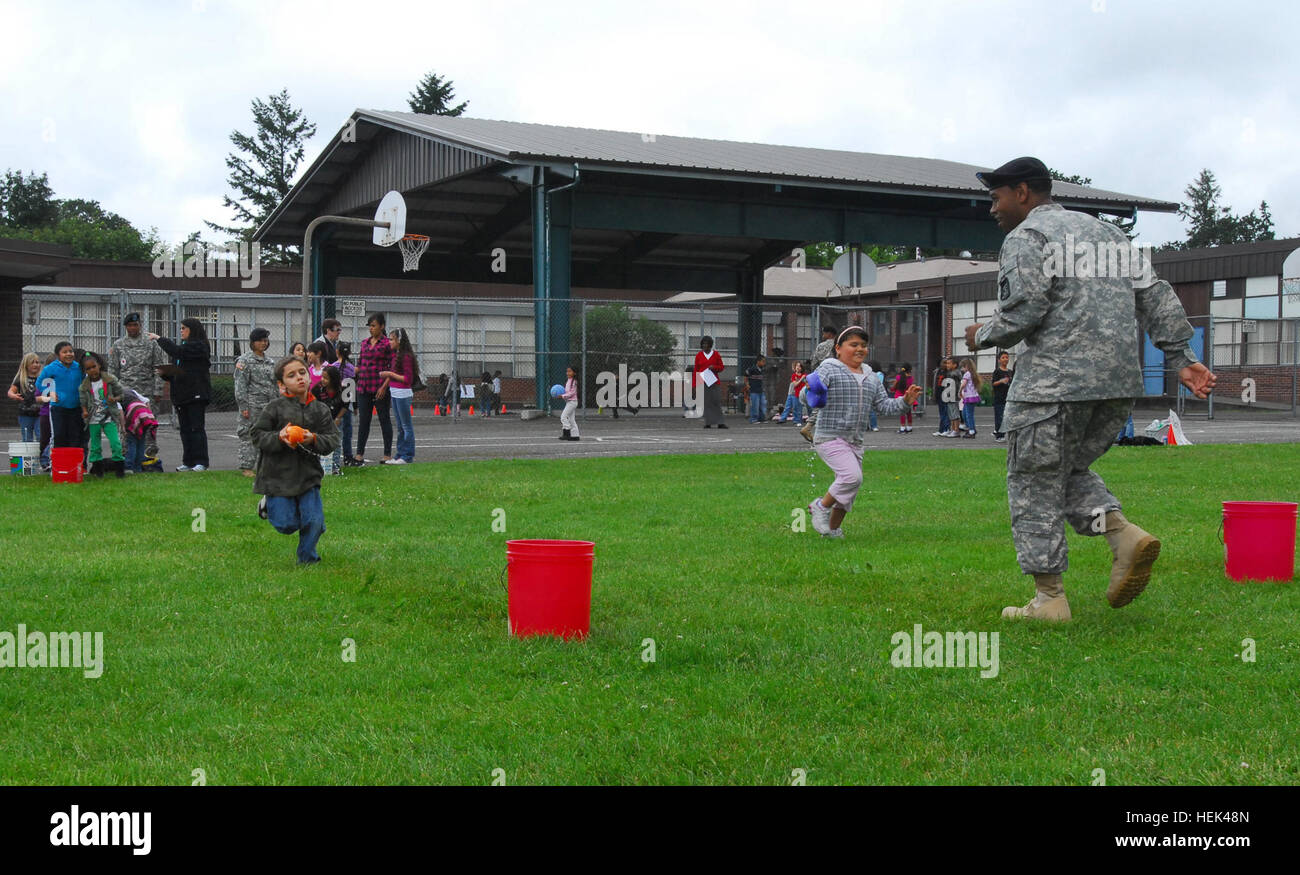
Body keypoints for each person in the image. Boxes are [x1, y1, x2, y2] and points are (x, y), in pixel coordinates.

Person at [967, 155, 1215, 621]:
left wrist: (979, 335)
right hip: (1116, 387)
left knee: (1033, 482)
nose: (993, 209)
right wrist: (1182, 357)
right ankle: (1122, 535)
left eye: (996, 198)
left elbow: (1023, 311)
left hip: (1052, 387)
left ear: (1022, 192)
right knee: (1066, 473)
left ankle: (1049, 599)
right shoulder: (1110, 235)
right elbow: (1155, 295)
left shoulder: (1028, 236)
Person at [805, 327, 922, 538]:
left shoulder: (871, 377)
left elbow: (884, 406)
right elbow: (808, 395)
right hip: (829, 436)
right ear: (838, 349)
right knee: (851, 477)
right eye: (854, 345)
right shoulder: (829, 368)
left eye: (863, 345)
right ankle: (820, 507)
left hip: (855, 441)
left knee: (849, 490)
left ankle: (832, 531)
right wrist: (813, 390)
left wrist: (905, 401)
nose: (860, 349)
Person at [250, 356, 340, 565]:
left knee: (314, 520)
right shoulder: (274, 408)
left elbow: (333, 439)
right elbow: (257, 435)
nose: (299, 377)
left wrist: (314, 438)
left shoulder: (320, 409)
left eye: (302, 372)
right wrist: (279, 437)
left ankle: (308, 559)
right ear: (281, 385)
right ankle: (268, 504)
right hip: (277, 477)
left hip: (308, 476)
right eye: (291, 375)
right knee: (286, 524)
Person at [108, 313, 169, 473]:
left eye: (135, 325)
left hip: (146, 393)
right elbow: (113, 370)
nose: (132, 328)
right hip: (125, 394)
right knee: (126, 428)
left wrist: (158, 390)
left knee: (147, 428)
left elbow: (159, 368)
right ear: (125, 327)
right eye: (129, 325)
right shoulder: (119, 345)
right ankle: (127, 461)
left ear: (140, 325)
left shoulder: (151, 343)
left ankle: (147, 461)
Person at [150, 319, 212, 472]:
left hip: (196, 393)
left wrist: (159, 338)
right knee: (185, 429)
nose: (181, 331)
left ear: (192, 329)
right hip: (181, 395)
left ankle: (201, 462)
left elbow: (177, 351)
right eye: (181, 328)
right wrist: (165, 373)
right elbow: (178, 371)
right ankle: (188, 462)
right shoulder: (183, 347)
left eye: (184, 328)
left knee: (196, 428)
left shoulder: (199, 346)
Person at [234, 328, 278, 477]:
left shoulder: (270, 362)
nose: (263, 343)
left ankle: (264, 466)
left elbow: (274, 385)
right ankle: (247, 467)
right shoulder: (244, 361)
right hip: (252, 405)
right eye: (260, 340)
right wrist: (243, 406)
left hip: (268, 405)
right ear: (253, 342)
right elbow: (240, 385)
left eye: (265, 340)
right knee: (248, 435)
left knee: (267, 435)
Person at [352, 313, 393, 464]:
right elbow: (360, 364)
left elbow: (392, 367)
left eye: (374, 325)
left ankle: (387, 453)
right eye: (369, 326)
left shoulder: (387, 344)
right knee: (364, 421)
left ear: (382, 326)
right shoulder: (364, 343)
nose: (371, 328)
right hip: (364, 387)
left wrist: (384, 386)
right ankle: (359, 453)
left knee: (384, 419)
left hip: (380, 387)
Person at [79, 353, 125, 478]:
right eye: (88, 369)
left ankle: (119, 468)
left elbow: (121, 394)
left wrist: (114, 399)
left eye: (94, 367)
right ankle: (98, 470)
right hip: (93, 418)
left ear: (99, 365)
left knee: (115, 442)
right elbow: (83, 402)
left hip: (109, 416)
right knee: (95, 445)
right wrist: (85, 411)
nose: (92, 370)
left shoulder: (110, 380)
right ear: (85, 371)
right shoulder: (84, 386)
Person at [37, 342, 84, 454]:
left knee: (75, 437)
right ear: (58, 355)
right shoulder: (51, 368)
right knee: (59, 435)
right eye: (65, 352)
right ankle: (56, 462)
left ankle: (73, 462)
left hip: (76, 408)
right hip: (58, 409)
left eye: (70, 351)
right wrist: (50, 393)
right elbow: (40, 383)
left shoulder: (78, 367)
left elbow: (84, 383)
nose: (68, 354)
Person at [381, 328, 420, 464]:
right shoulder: (396, 355)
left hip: (403, 393)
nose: (389, 342)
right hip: (395, 392)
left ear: (399, 340)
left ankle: (407, 455)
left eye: (392, 339)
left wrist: (389, 374)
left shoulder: (406, 356)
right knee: (400, 427)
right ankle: (400, 454)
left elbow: (407, 379)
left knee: (406, 426)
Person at [800, 325, 839, 442]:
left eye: (824, 333)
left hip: (819, 376)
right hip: (834, 376)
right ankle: (810, 427)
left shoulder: (821, 346)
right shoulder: (838, 345)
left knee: (822, 403)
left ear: (829, 334)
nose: (823, 335)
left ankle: (811, 427)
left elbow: (813, 362)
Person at [316, 364, 346, 474]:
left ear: (333, 379)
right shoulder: (318, 389)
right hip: (322, 421)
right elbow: (314, 405)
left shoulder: (342, 389)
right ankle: (320, 466)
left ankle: (335, 466)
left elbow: (345, 405)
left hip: (336, 419)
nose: (323, 380)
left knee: (336, 443)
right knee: (321, 442)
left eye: (326, 378)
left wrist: (338, 418)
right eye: (322, 377)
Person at [9, 353, 43, 443]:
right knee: (27, 438)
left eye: (37, 362)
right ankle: (28, 452)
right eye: (32, 362)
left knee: (41, 436)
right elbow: (10, 391)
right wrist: (13, 395)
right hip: (25, 413)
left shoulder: (42, 379)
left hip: (40, 413)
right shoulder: (21, 379)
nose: (35, 365)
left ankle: (42, 452)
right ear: (26, 365)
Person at [695, 336, 727, 429]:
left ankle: (720, 422)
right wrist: (695, 384)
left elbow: (721, 367)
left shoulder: (716, 354)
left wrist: (714, 367)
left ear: (710, 345)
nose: (704, 345)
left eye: (706, 344)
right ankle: (708, 423)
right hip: (703, 381)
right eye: (703, 344)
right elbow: (696, 370)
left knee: (716, 401)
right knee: (707, 402)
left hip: (714, 381)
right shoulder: (699, 355)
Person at [334, 341, 358, 464]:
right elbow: (353, 388)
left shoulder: (333, 367)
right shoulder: (351, 368)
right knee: (347, 432)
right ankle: (348, 457)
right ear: (349, 352)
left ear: (337, 351)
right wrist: (355, 406)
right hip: (347, 402)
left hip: (336, 403)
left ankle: (334, 458)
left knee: (337, 431)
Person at [991, 351, 1014, 441]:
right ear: (999, 360)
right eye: (1003, 357)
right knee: (999, 417)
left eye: (1007, 357)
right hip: (999, 398)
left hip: (1008, 398)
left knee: (1007, 416)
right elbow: (993, 383)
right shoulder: (997, 371)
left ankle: (1002, 433)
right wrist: (1001, 381)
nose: (1005, 359)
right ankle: (999, 435)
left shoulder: (1010, 372)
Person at [958, 358, 983, 438]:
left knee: (968, 414)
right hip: (971, 396)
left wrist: (959, 391)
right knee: (965, 413)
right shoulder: (972, 374)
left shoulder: (967, 374)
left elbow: (963, 384)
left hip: (969, 397)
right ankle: (971, 428)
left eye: (962, 367)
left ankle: (971, 431)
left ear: (966, 366)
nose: (961, 369)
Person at [931, 357, 954, 437]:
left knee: (946, 413)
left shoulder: (949, 373)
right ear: (940, 364)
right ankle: (941, 430)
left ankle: (946, 429)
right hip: (939, 395)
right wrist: (934, 395)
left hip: (946, 395)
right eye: (944, 363)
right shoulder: (937, 371)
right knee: (942, 414)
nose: (945, 364)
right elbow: (935, 384)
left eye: (947, 363)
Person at [559, 365, 580, 441]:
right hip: (569, 402)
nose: (567, 373)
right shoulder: (569, 380)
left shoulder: (574, 381)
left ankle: (567, 433)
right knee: (571, 420)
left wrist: (562, 396)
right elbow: (566, 391)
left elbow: (572, 392)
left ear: (574, 373)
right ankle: (575, 436)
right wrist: (560, 394)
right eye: (567, 371)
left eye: (570, 371)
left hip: (572, 402)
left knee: (563, 417)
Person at [893, 364, 915, 433]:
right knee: (908, 411)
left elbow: (894, 385)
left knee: (902, 411)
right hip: (908, 395)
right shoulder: (911, 378)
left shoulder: (898, 377)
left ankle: (902, 428)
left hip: (900, 395)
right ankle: (909, 427)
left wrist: (893, 389)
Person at [745, 355, 767, 424]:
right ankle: (753, 419)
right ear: (758, 362)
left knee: (762, 405)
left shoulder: (763, 369)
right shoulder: (752, 369)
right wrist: (747, 384)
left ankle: (762, 418)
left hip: (761, 390)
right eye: (763, 361)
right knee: (755, 405)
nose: (764, 363)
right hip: (754, 390)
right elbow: (746, 376)